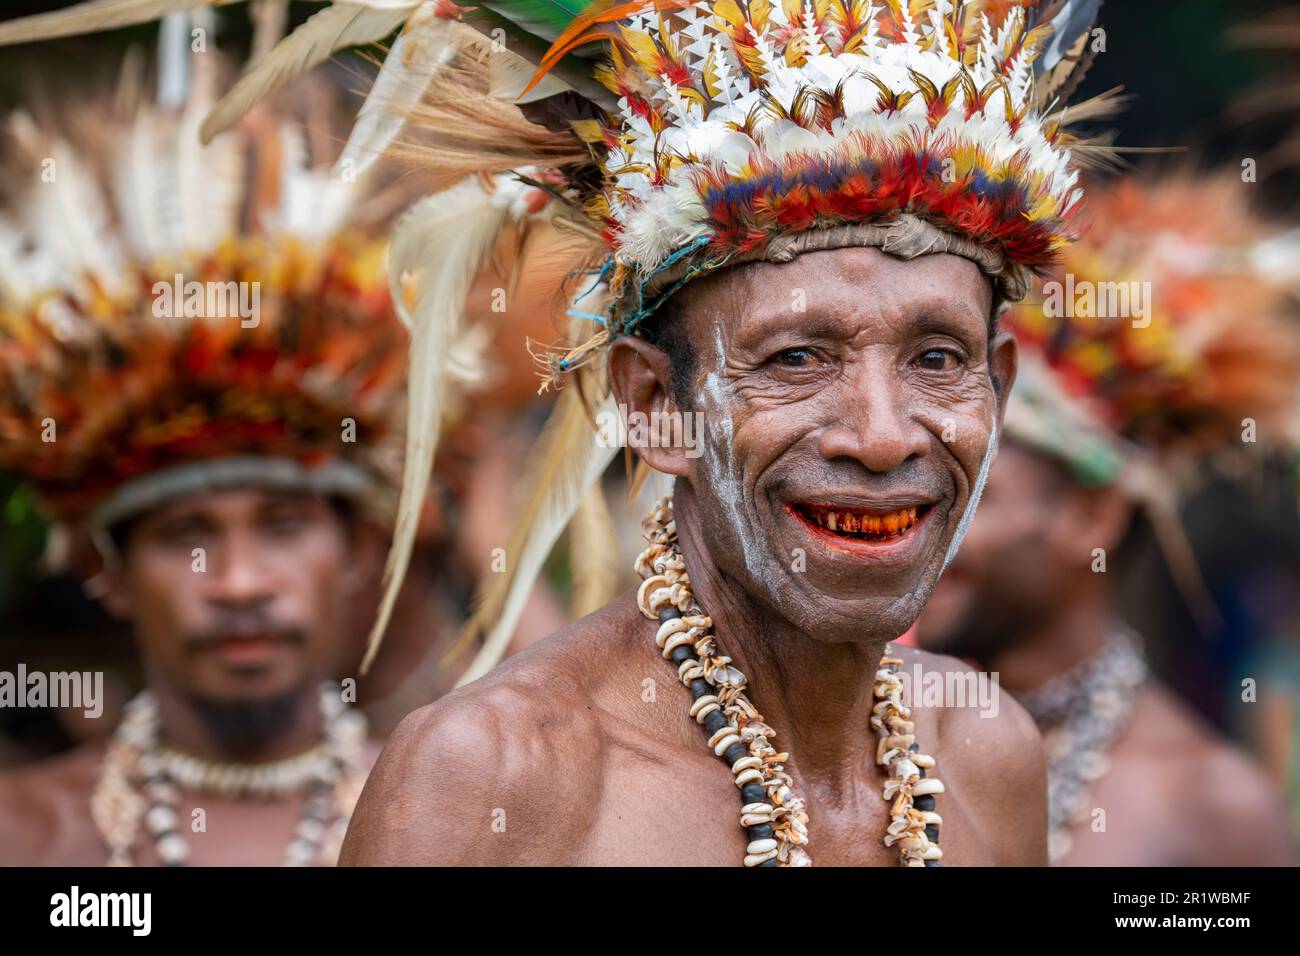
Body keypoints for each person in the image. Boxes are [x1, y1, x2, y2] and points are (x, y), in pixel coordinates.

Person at [5, 0, 1104, 866]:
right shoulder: (487, 783)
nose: (879, 433)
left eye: (936, 357)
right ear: (650, 403)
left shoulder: (988, 752)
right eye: (794, 359)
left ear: (999, 389)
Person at [0, 58, 409, 865]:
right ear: (103, 568)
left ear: (360, 551)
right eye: (186, 533)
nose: (239, 583)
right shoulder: (26, 839)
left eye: (284, 526)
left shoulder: (456, 822)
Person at [916, 174, 1300, 866]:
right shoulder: (879, 742)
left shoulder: (1211, 806)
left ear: (1090, 515)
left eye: (973, 498)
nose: (920, 530)